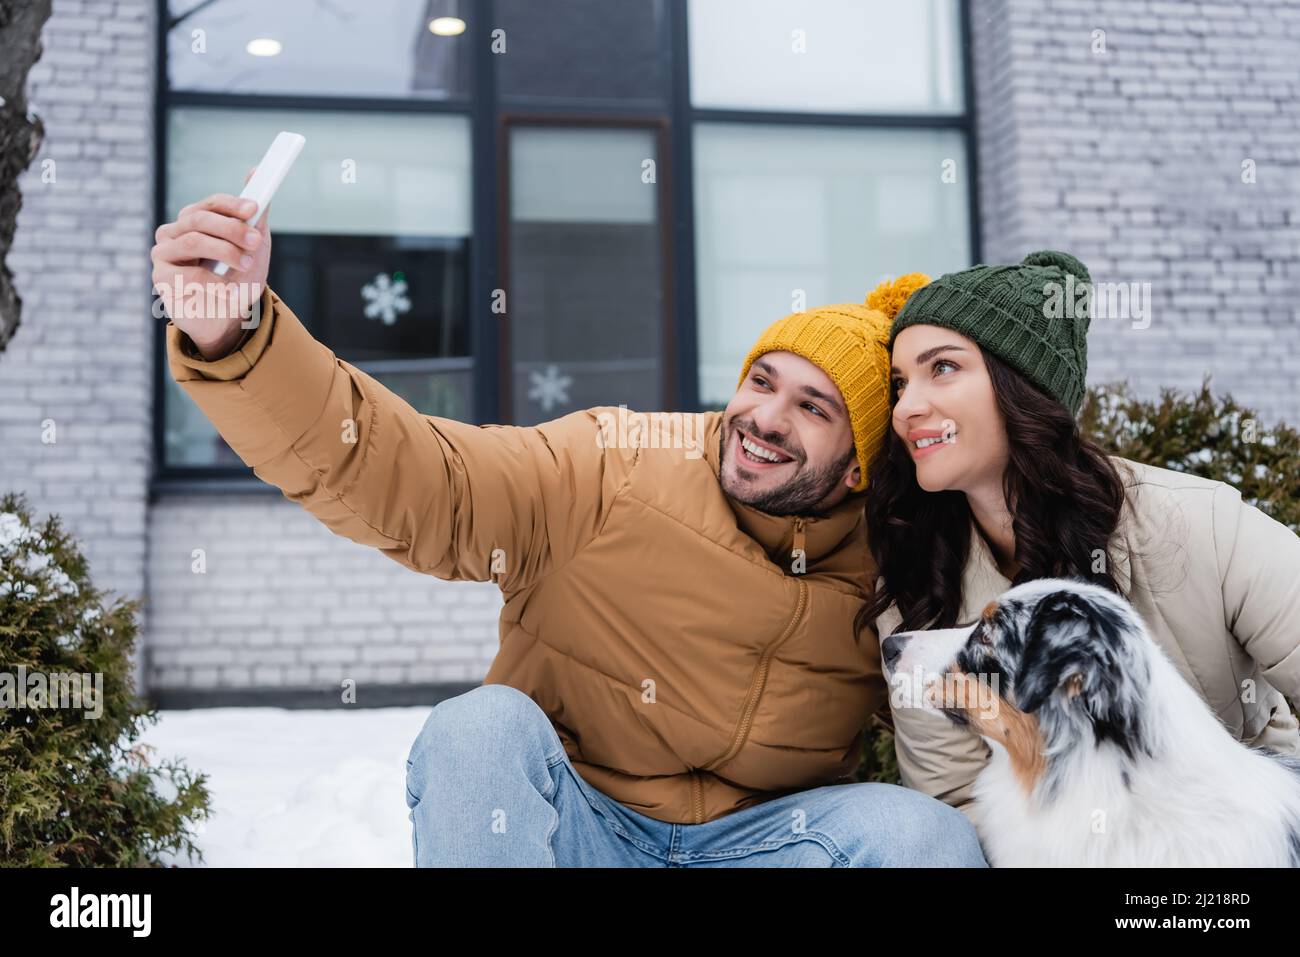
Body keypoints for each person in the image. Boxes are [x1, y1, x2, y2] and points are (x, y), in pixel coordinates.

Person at [149, 190, 987, 867]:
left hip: (763, 846)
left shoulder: (898, 563)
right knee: (479, 729)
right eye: (760, 380)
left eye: (812, 408)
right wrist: (239, 337)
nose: (764, 418)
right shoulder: (614, 464)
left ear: (857, 468)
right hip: (580, 829)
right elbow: (410, 472)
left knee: (924, 838)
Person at [864, 250, 1300, 823]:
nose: (906, 408)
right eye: (901, 383)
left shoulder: (1199, 524)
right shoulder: (918, 576)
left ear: (1023, 386)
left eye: (942, 367)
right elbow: (958, 802)